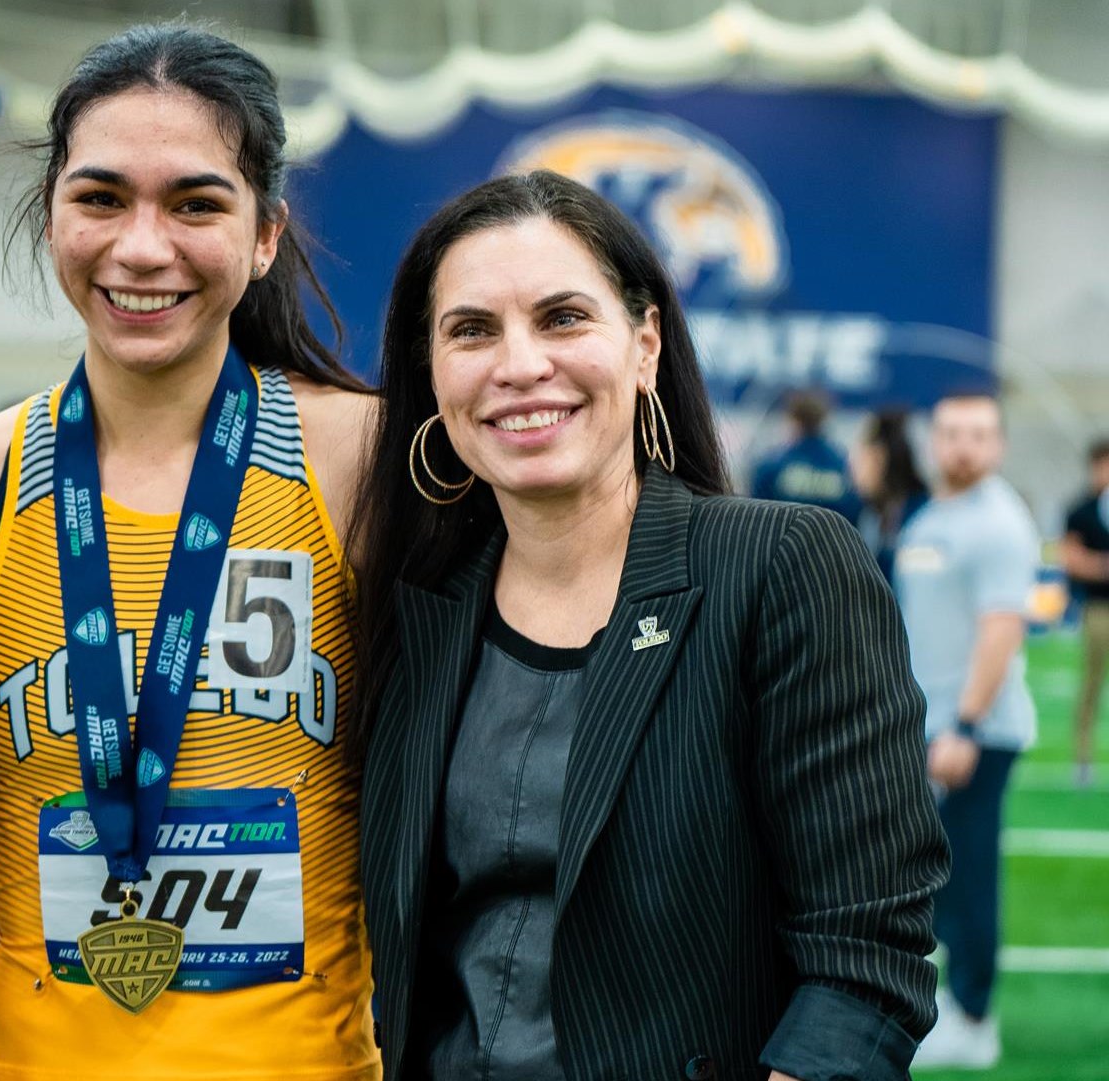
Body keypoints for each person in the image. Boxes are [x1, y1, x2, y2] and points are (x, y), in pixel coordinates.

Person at [0, 24, 383, 1079]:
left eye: (195, 203)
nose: (143, 247)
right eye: (100, 198)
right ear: (51, 217)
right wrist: (30, 772)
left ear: (265, 232)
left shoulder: (370, 464)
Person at [349, 172, 949, 1081]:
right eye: (471, 330)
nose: (518, 365)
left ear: (645, 343)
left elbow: (863, 967)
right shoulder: (417, 609)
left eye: (562, 318)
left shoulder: (780, 566)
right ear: (432, 374)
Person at [897, 391, 1040, 1070]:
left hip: (973, 733)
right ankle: (952, 1004)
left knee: (969, 874)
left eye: (978, 435)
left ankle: (975, 1018)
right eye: (952, 432)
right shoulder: (937, 512)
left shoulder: (997, 523)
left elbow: (1002, 628)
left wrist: (966, 724)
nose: (963, 446)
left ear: (999, 444)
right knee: (940, 879)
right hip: (936, 726)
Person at [1061, 438, 1109, 787]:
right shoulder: (1081, 510)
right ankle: (1082, 758)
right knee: (1091, 685)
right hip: (1098, 608)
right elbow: (1072, 560)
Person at [750, 389, 862, 522]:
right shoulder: (844, 466)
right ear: (823, 420)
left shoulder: (771, 466)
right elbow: (855, 512)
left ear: (793, 421)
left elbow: (757, 515)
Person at [850, 408, 928, 583]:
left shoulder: (921, 515)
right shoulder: (866, 511)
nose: (853, 471)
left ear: (880, 459)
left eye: (860, 460)